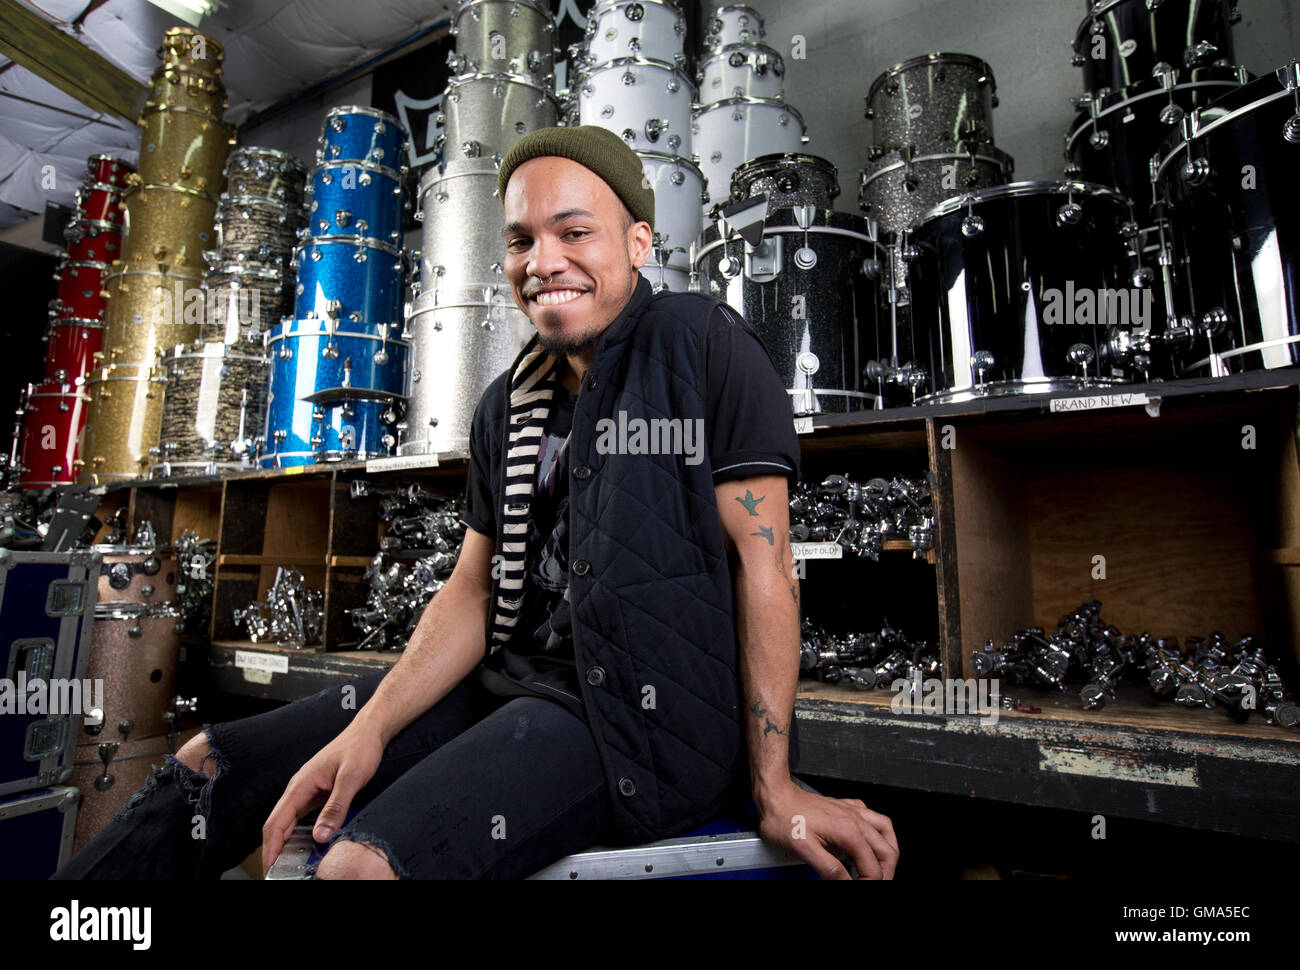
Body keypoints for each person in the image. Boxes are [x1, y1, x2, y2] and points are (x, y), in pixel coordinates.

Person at [53, 126, 898, 880]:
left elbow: (767, 562)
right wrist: (371, 725)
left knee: (355, 867)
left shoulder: (703, 344)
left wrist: (775, 782)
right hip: (503, 687)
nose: (544, 261)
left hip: (634, 726)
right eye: (522, 240)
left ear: (638, 241)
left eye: (576, 232)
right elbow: (471, 588)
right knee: (210, 764)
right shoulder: (507, 403)